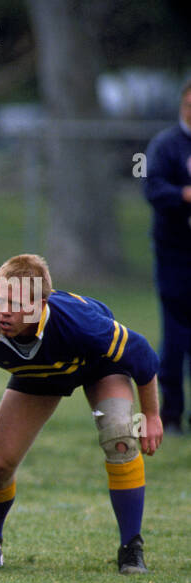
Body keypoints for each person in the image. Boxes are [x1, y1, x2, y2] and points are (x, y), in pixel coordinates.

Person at [0, 254, 162, 574]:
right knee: (0, 464)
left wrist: (152, 416)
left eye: (16, 304)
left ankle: (131, 547)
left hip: (98, 367)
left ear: (41, 304)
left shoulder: (79, 322)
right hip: (41, 375)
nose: (4, 310)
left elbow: (141, 354)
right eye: (0, 298)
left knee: (119, 436)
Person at [141, 77, 191, 434]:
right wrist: (184, 195)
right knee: (175, 335)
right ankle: (170, 414)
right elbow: (153, 188)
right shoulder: (166, 145)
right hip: (175, 254)